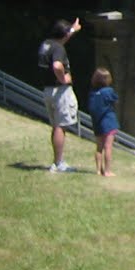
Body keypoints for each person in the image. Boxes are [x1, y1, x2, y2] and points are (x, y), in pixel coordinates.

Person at [39, 17, 82, 171]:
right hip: (60, 92)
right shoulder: (58, 49)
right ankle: (58, 163)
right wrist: (63, 78)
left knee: (56, 126)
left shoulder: (46, 44)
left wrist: (72, 30)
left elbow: (61, 40)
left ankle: (57, 161)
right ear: (63, 35)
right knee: (60, 127)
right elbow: (57, 65)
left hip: (48, 90)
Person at [89, 67, 120, 177]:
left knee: (99, 148)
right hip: (108, 122)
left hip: (97, 123)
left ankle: (98, 170)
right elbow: (115, 100)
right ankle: (107, 171)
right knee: (108, 147)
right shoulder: (109, 91)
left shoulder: (93, 93)